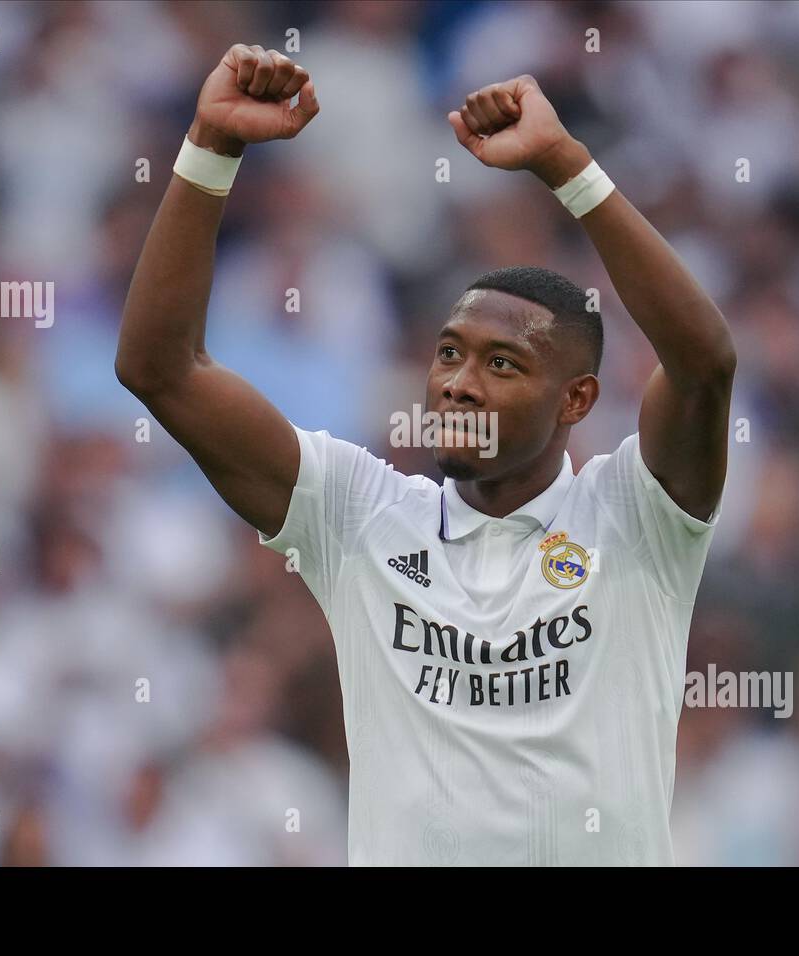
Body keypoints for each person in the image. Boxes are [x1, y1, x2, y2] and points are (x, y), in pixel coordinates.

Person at [116, 43, 736, 865]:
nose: (459, 384)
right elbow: (160, 370)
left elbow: (703, 363)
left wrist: (567, 168)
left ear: (577, 402)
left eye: (502, 364)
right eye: (449, 354)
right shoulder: (358, 514)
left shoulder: (636, 516)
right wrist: (211, 144)